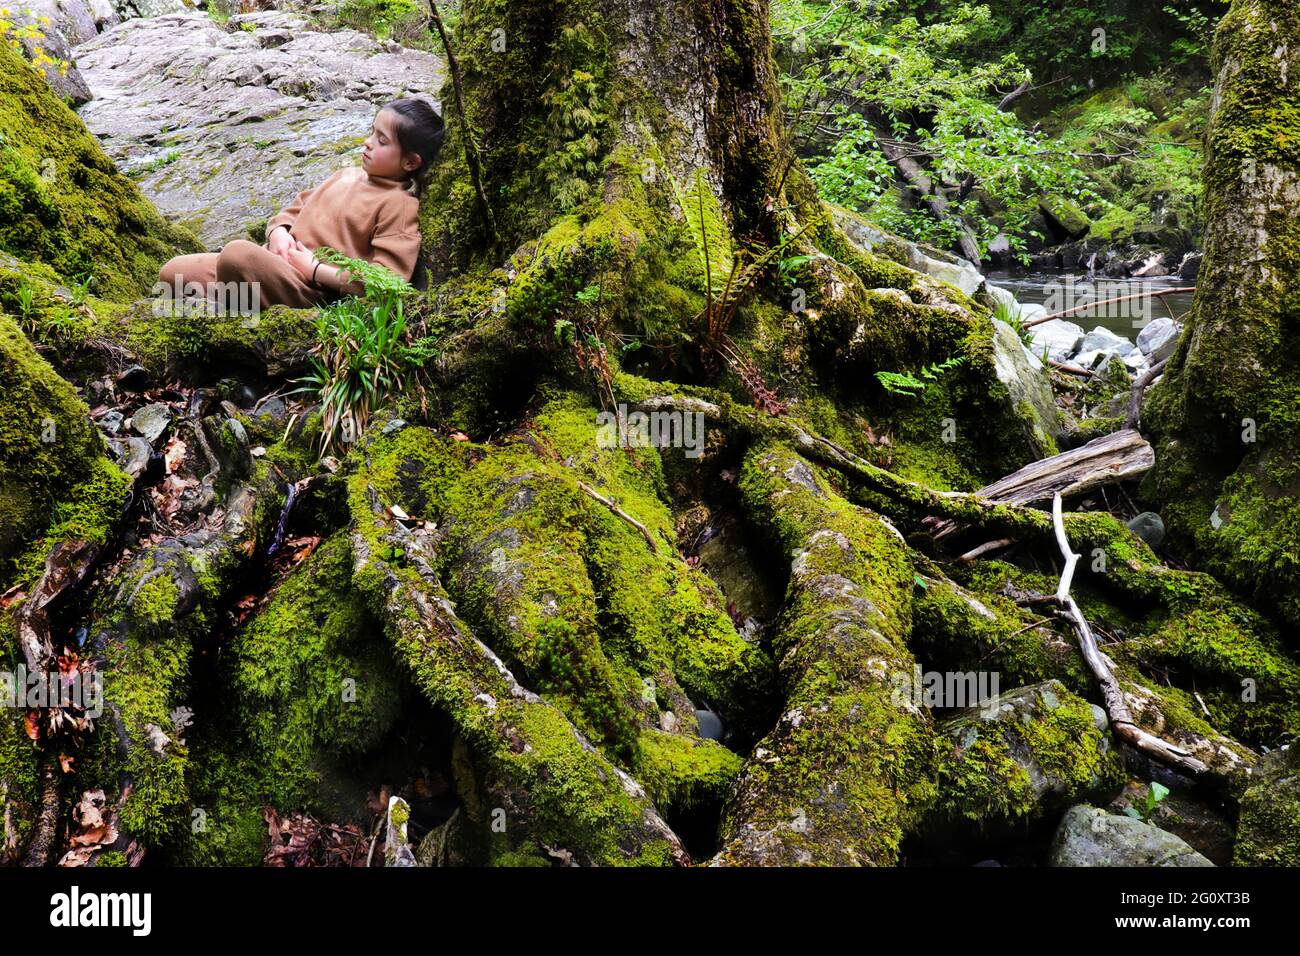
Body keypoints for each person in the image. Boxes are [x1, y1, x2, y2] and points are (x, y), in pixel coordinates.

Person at [156, 98, 444, 310]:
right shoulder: (346, 174)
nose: (368, 143)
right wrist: (278, 233)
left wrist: (315, 270)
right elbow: (290, 212)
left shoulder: (399, 205)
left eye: (381, 141)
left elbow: (387, 280)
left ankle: (246, 306)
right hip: (276, 266)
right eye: (372, 133)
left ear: (410, 161)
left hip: (310, 290)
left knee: (236, 255)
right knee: (173, 272)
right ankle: (240, 302)